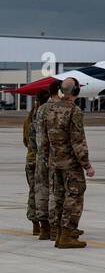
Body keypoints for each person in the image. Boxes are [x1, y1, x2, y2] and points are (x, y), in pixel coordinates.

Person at [40, 77, 94, 248]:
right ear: (76, 91)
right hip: (70, 164)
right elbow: (78, 140)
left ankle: (58, 233)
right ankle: (67, 235)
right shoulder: (74, 111)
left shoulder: (50, 109)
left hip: (54, 162)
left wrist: (47, 159)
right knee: (74, 196)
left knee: (59, 196)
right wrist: (87, 165)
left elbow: (45, 139)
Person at [22, 89, 51, 236]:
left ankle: (35, 225)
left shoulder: (29, 118)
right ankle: (46, 224)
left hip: (30, 159)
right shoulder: (45, 116)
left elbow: (25, 141)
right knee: (45, 193)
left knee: (33, 192)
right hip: (42, 161)